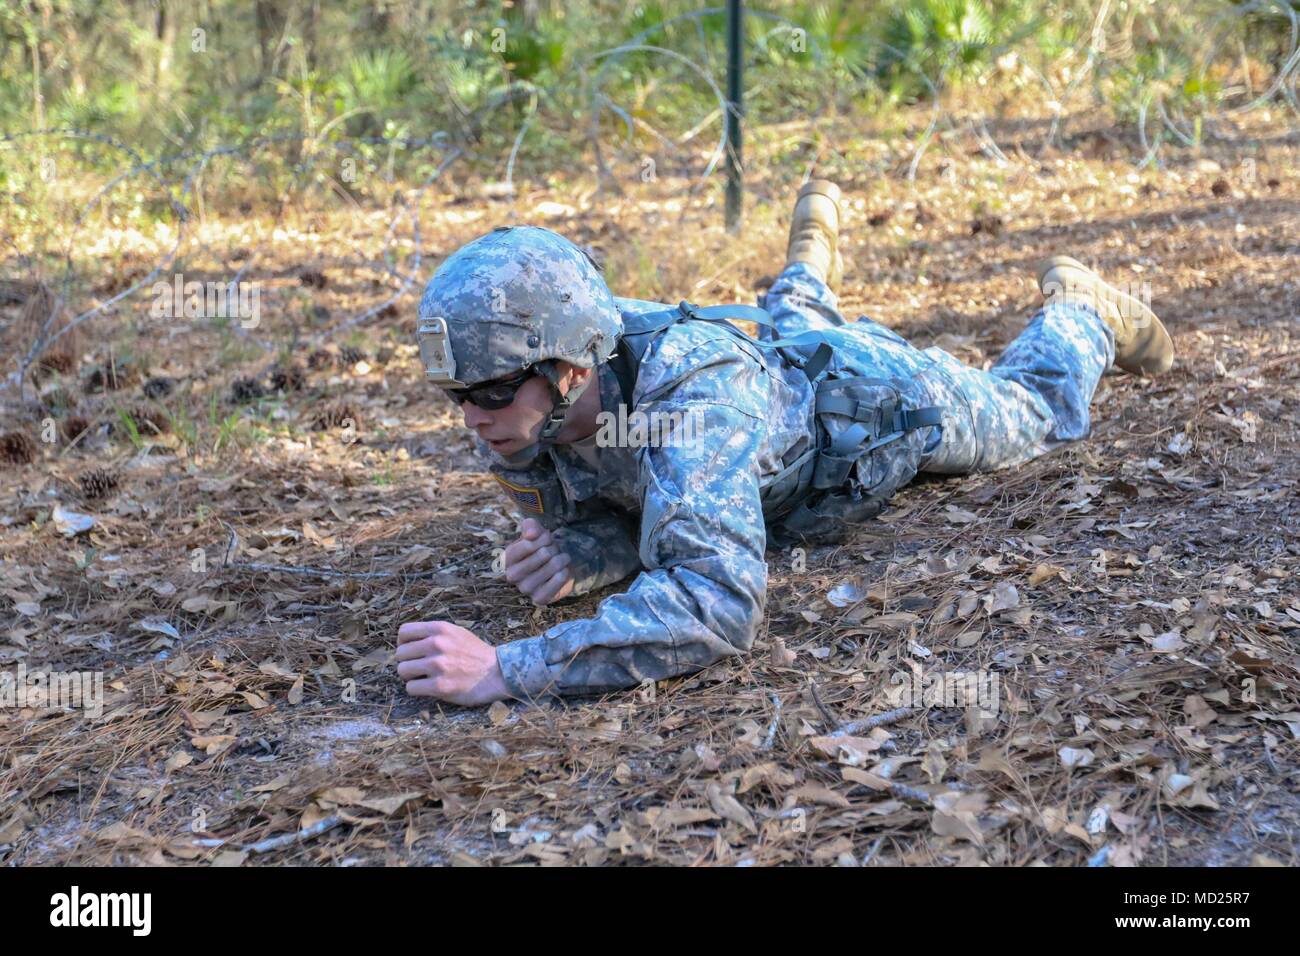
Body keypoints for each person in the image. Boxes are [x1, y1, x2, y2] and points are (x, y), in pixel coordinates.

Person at [393, 180, 1175, 706]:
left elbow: (718, 600)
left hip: (862, 405)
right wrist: (589, 549)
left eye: (492, 393)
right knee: (791, 321)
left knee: (1037, 415)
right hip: (771, 368)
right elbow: (633, 504)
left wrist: (507, 669)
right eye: (457, 396)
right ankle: (805, 270)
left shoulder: (691, 399)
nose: (472, 417)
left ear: (567, 368)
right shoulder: (538, 344)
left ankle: (1079, 313)